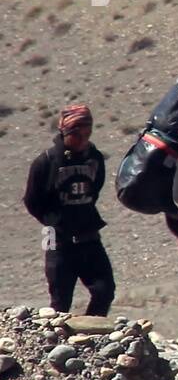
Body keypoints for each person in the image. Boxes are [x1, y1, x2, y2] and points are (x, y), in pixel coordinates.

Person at [23, 104, 115, 315]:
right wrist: (55, 221)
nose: (82, 140)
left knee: (105, 290)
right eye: (76, 134)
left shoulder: (95, 158)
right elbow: (32, 200)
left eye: (87, 133)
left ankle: (89, 335)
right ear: (64, 132)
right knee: (60, 302)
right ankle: (58, 345)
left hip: (89, 237)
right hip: (58, 240)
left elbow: (95, 189)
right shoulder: (45, 162)